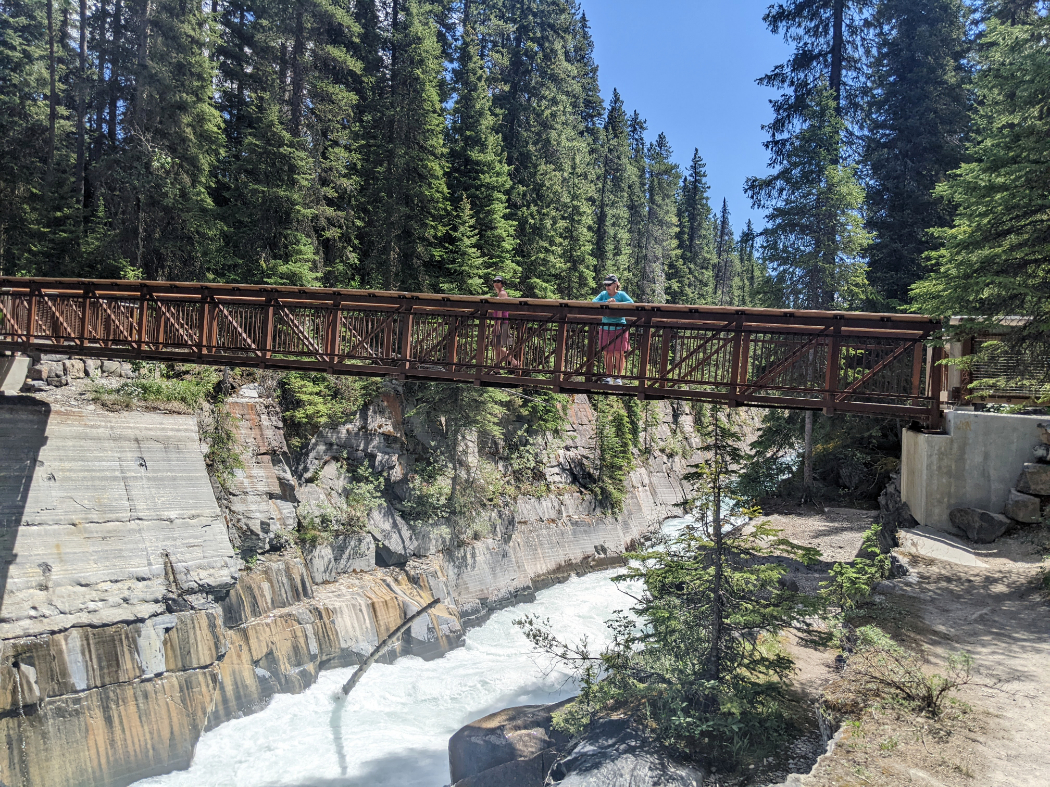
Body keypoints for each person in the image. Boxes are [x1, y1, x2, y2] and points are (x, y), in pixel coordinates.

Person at [592, 274, 633, 384]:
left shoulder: (621, 295)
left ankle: (618, 378)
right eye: (605, 284)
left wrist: (617, 303)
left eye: (609, 284)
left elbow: (631, 303)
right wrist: (606, 303)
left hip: (620, 327)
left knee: (619, 353)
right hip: (605, 327)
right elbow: (593, 302)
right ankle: (608, 376)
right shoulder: (603, 294)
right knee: (607, 353)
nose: (607, 287)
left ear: (615, 284)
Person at [491, 276, 514, 367]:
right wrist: (495, 324)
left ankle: (514, 362)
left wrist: (498, 324)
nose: (496, 283)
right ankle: (497, 369)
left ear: (502, 283)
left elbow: (500, 310)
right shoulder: (499, 294)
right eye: (494, 281)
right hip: (499, 322)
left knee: (497, 346)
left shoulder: (502, 294)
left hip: (502, 323)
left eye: (498, 281)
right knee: (497, 347)